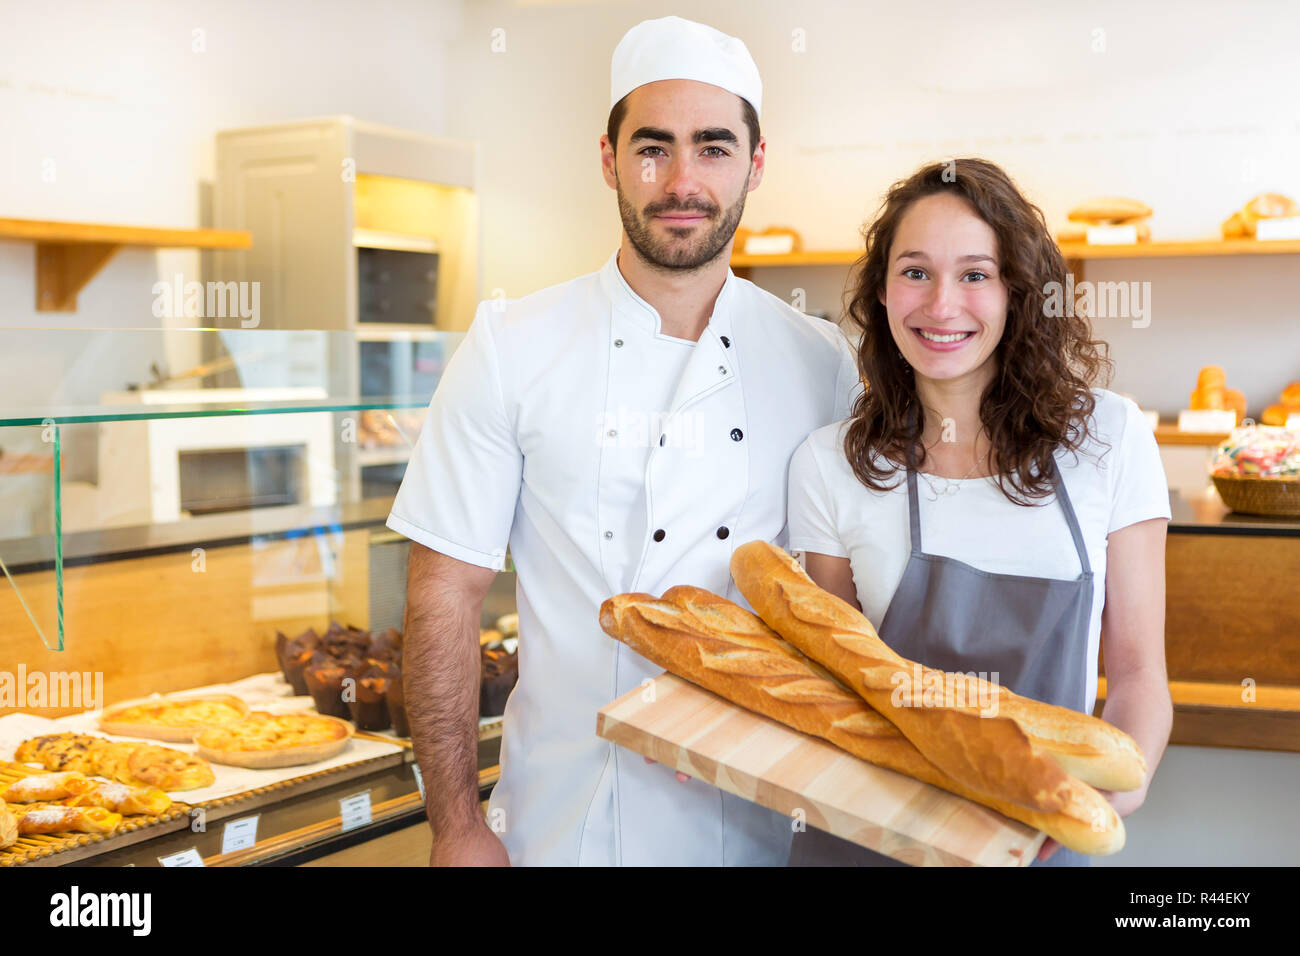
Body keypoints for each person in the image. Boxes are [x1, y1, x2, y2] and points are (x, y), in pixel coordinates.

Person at [387, 15, 861, 865]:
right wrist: (456, 826)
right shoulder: (512, 344)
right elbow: (443, 597)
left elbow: (843, 609)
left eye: (714, 147)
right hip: (564, 822)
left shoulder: (822, 362)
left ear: (756, 164)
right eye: (653, 147)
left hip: (759, 823)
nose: (682, 180)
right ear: (608, 159)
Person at [784, 158, 1174, 867]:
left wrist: (1103, 800)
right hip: (873, 837)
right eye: (914, 272)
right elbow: (831, 685)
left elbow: (1141, 675)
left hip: (1044, 837)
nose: (941, 305)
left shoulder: (1110, 440)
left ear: (1018, 292)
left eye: (974, 274)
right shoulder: (827, 464)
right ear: (879, 292)